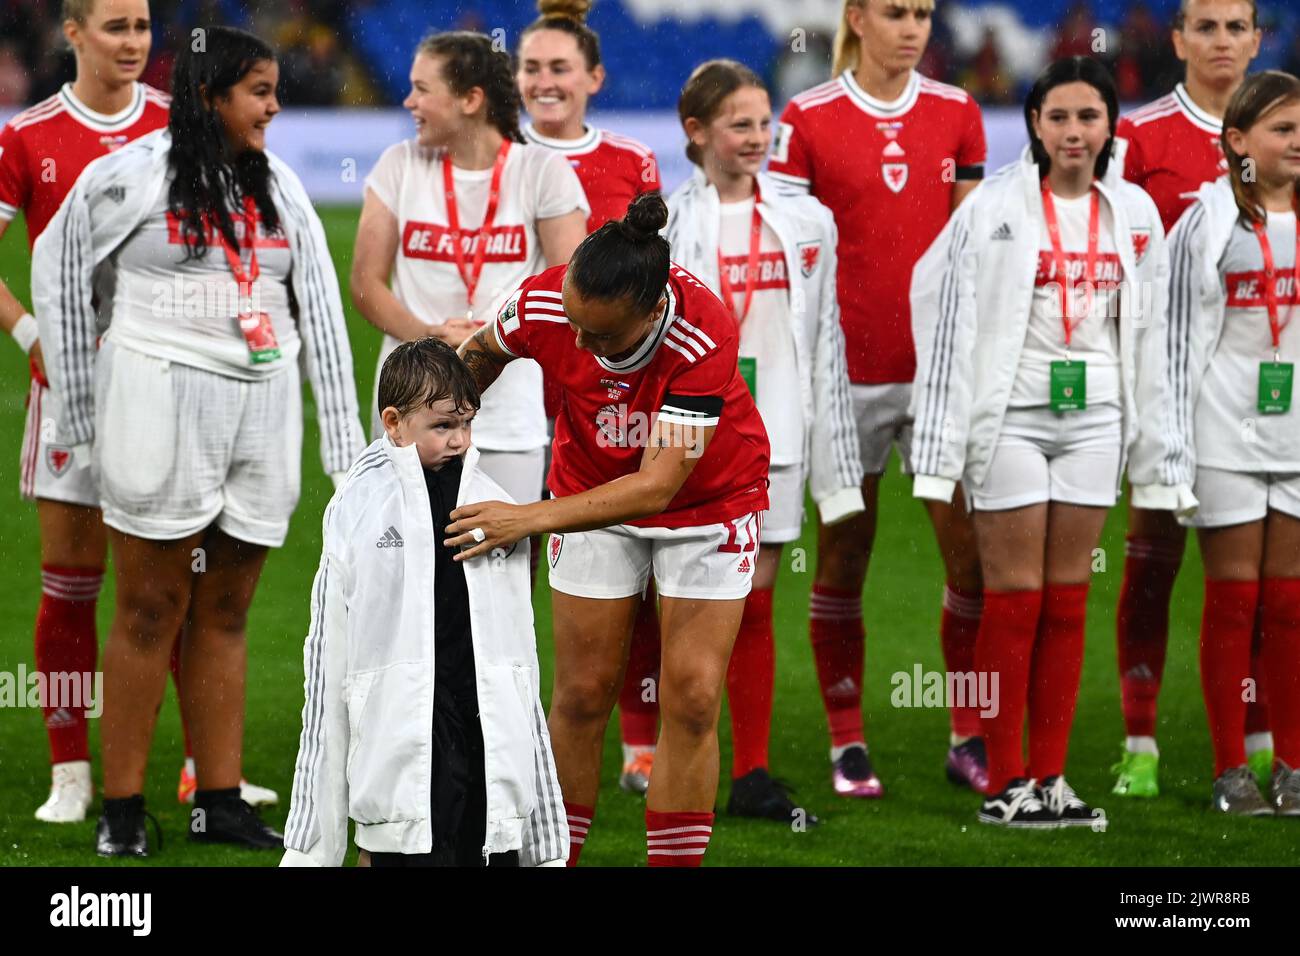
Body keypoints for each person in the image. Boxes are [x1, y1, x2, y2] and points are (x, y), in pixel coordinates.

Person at [33, 25, 365, 856]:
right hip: (157, 398)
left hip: (263, 406)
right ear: (211, 95)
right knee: (149, 607)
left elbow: (318, 311)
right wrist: (76, 406)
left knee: (226, 607)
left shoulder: (282, 186)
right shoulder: (129, 178)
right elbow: (58, 266)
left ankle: (218, 798)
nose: (275, 107)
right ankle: (121, 808)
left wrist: (344, 441)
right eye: (259, 91)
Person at [909, 56, 1186, 827]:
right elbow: (934, 297)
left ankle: (1052, 779)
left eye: (1087, 116)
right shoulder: (993, 206)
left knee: (1067, 601)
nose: (1073, 131)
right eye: (1058, 116)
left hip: (1097, 419)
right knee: (1014, 598)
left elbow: (1154, 330)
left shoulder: (1133, 212)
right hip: (1012, 422)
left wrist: (1156, 441)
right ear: (1034, 124)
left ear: (1108, 126)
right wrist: (946, 433)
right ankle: (1005, 781)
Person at [455, 193, 771, 865]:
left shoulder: (703, 329)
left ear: (653, 311)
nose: (579, 346)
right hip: (589, 493)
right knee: (579, 693)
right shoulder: (545, 302)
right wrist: (444, 421)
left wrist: (527, 518)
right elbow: (478, 356)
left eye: (601, 336)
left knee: (689, 697)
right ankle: (550, 861)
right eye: (572, 323)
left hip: (705, 506)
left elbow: (658, 487)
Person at [0, 0, 236, 825]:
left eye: (142, 28)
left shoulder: (181, 125)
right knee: (71, 585)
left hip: (170, 382)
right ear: (73, 33)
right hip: (69, 391)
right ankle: (71, 771)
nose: (134, 43)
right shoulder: (27, 135)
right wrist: (34, 332)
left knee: (176, 582)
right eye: (116, 28)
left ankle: (206, 768)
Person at [767, 0, 989, 798]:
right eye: (896, 11)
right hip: (845, 371)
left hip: (936, 375)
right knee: (843, 559)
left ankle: (970, 733)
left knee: (971, 562)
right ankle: (846, 742)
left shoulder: (959, 113)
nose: (914, 26)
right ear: (857, 17)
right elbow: (789, 252)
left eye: (924, 13)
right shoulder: (808, 118)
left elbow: (965, 255)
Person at [281, 337, 569, 866]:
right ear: (393, 422)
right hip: (403, 726)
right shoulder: (360, 510)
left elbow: (521, 659)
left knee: (478, 845)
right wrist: (313, 852)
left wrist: (544, 846)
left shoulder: (494, 505)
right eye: (442, 427)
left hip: (478, 714)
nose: (459, 440)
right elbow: (328, 655)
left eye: (466, 424)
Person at [665, 60, 863, 823]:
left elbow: (826, 341)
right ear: (697, 132)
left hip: (774, 438)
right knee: (679, 602)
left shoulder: (808, 219)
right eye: (739, 124)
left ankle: (749, 773)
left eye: (762, 123)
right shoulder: (669, 223)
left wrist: (831, 457)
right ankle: (672, 757)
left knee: (754, 604)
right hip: (691, 438)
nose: (757, 138)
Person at [1110, 0, 1267, 799]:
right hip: (1167, 386)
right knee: (1153, 562)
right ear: (1177, 41)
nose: (1221, 42)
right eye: (1205, 28)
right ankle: (1140, 738)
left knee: (1267, 578)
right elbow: (1114, 255)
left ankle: (1263, 734)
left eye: (1236, 27)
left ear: (1257, 39)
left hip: (1268, 388)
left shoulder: (1288, 125)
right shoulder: (1139, 138)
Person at [514, 0, 665, 794]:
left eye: (560, 68)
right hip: (511, 399)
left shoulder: (635, 162)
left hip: (608, 402)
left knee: (628, 565)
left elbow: (653, 286)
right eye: (532, 67)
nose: (545, 81)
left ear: (593, 78)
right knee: (512, 564)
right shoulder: (499, 158)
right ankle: (521, 727)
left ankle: (639, 735)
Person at [350, 30, 588, 516]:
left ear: (470, 99)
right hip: (408, 412)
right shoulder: (399, 165)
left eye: (422, 88)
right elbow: (364, 284)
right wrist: (430, 335)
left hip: (504, 416)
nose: (408, 100)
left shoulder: (542, 171)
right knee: (404, 575)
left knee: (505, 576)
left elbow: (575, 294)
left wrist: (492, 340)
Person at [1165, 70, 1300, 816]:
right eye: (1283, 130)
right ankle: (1228, 769)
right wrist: (1173, 454)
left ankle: (1292, 765)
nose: (1297, 143)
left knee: (1289, 605)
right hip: (1223, 434)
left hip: (1297, 436)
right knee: (1232, 601)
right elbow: (1179, 345)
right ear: (1238, 141)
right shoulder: (1209, 222)